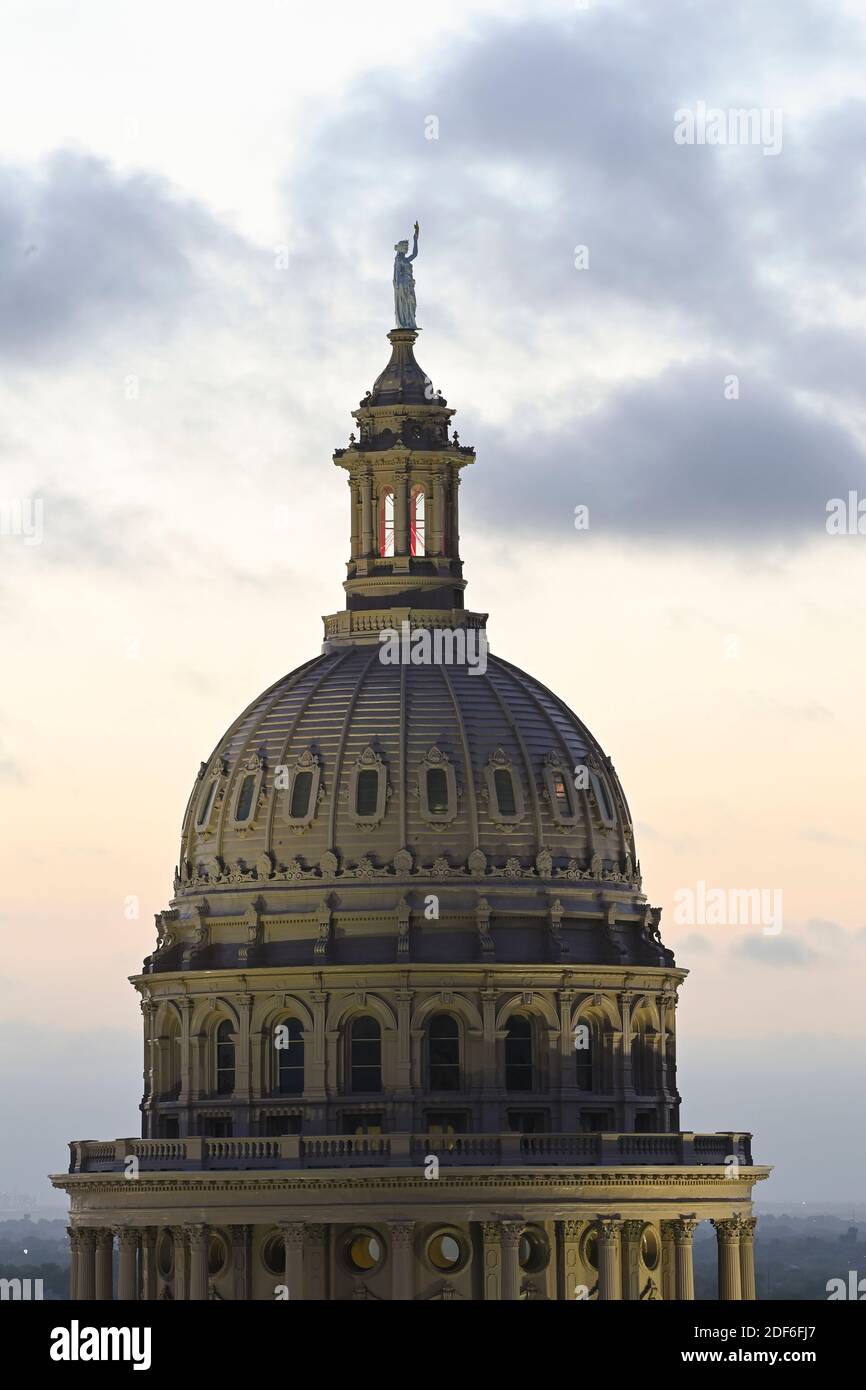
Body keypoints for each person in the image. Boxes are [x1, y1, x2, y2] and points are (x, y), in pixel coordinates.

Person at [393, 221, 420, 328]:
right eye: (404, 246)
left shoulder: (405, 259)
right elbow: (397, 276)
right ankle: (405, 323)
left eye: (407, 246)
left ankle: (409, 322)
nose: (406, 248)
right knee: (406, 305)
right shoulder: (399, 259)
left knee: (412, 305)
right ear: (400, 248)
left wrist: (415, 240)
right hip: (403, 286)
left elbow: (415, 254)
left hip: (409, 285)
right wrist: (401, 288)